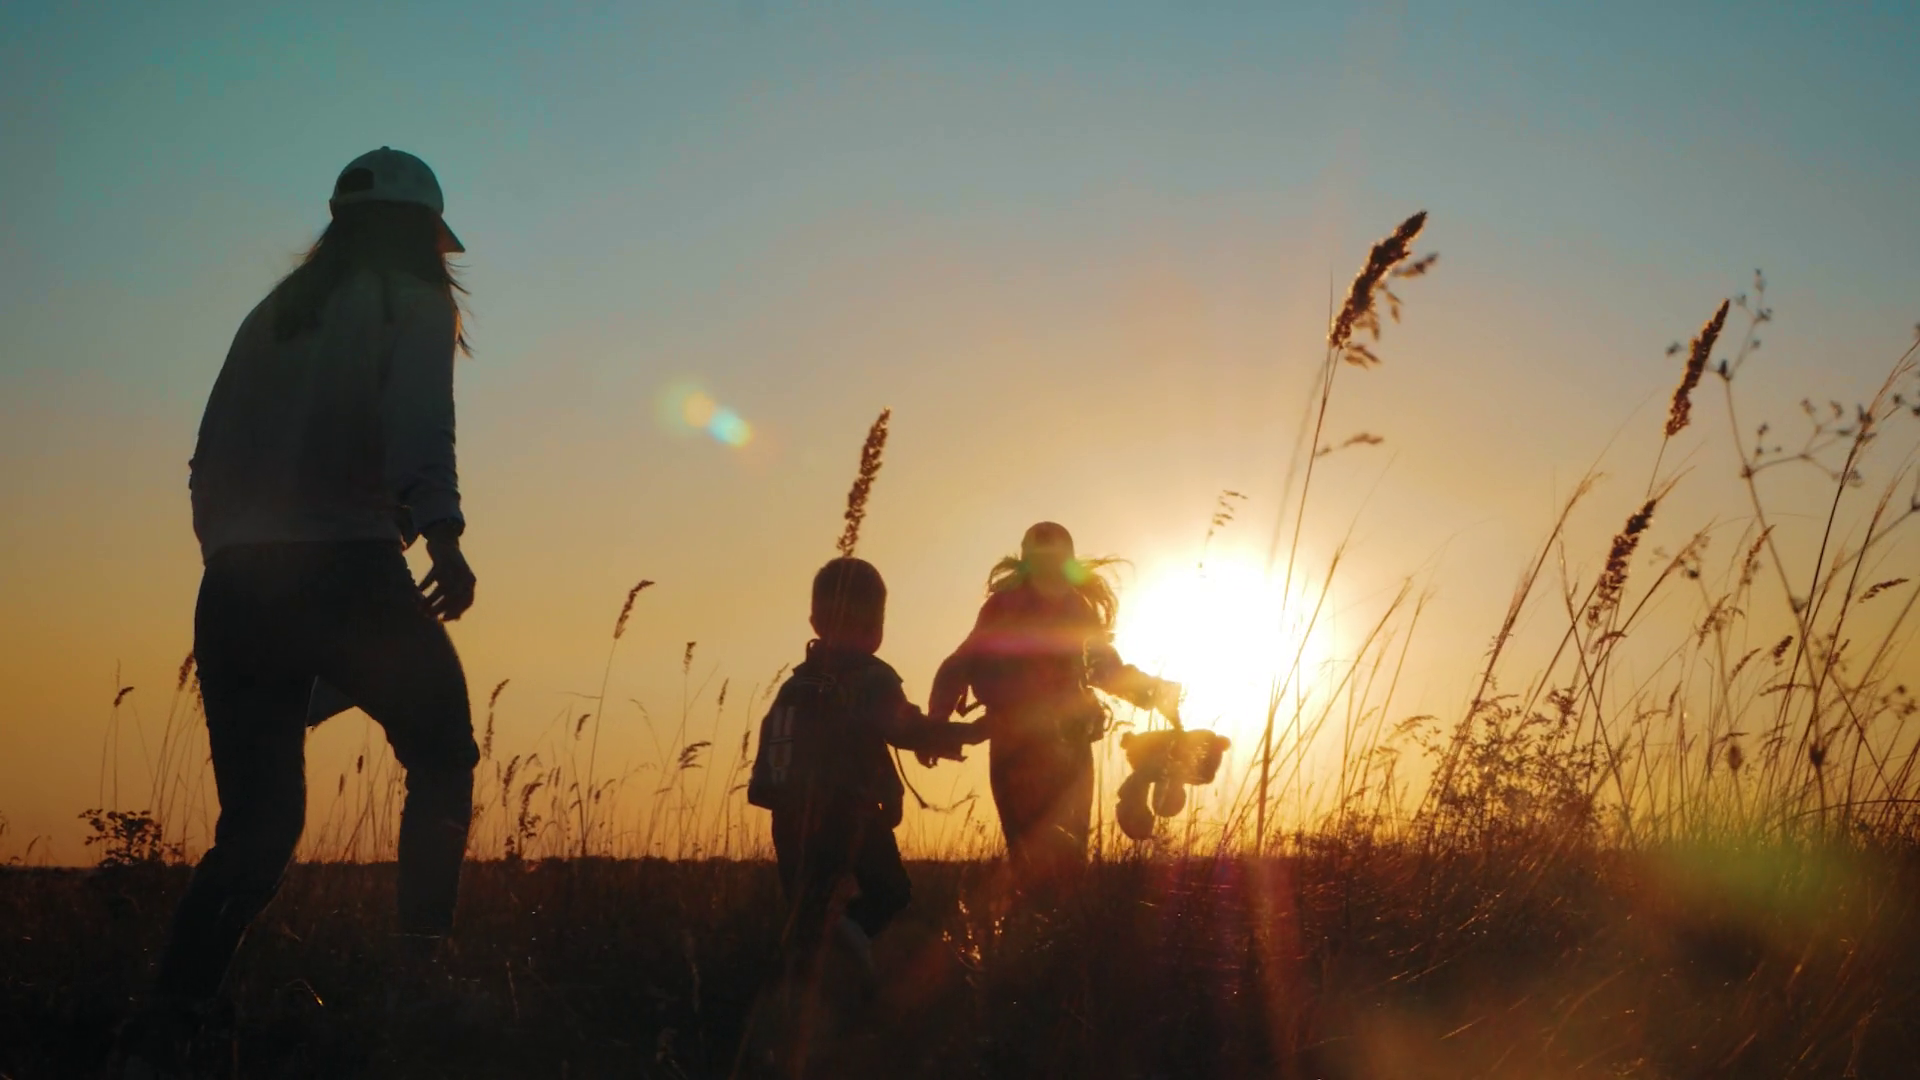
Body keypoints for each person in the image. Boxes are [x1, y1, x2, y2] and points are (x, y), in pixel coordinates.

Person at [125, 148, 479, 1071]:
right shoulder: (414, 302)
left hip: (238, 587)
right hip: (350, 573)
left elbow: (205, 463)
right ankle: (421, 973)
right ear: (422, 235)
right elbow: (418, 426)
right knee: (442, 747)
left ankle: (167, 1020)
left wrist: (237, 560)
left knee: (258, 828)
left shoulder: (271, 314)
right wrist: (440, 535)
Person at [748, 557, 975, 987]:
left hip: (789, 816)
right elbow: (901, 726)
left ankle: (811, 982)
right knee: (889, 892)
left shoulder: (795, 685)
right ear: (876, 628)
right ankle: (849, 948)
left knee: (806, 906)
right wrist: (957, 734)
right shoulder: (872, 678)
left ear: (815, 621)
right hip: (850, 814)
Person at [927, 522, 1181, 895]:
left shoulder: (1074, 611)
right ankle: (1043, 937)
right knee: (1034, 860)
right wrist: (936, 727)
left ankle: (1054, 940)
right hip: (1019, 752)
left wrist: (1151, 691)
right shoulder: (1005, 608)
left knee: (1066, 859)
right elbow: (961, 663)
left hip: (1066, 751)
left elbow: (1103, 668)